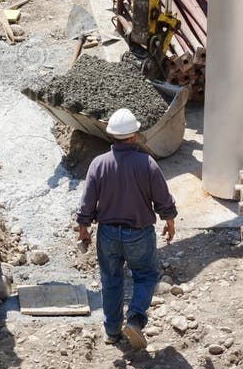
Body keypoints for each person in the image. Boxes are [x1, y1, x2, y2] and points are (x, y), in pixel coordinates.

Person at [76, 107, 177, 349]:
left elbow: (87, 201)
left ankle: (111, 331)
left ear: (112, 135)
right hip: (139, 232)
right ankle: (134, 319)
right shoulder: (147, 163)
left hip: (108, 233)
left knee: (111, 279)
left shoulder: (98, 164)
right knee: (146, 275)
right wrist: (169, 220)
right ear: (134, 134)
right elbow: (162, 198)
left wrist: (83, 227)